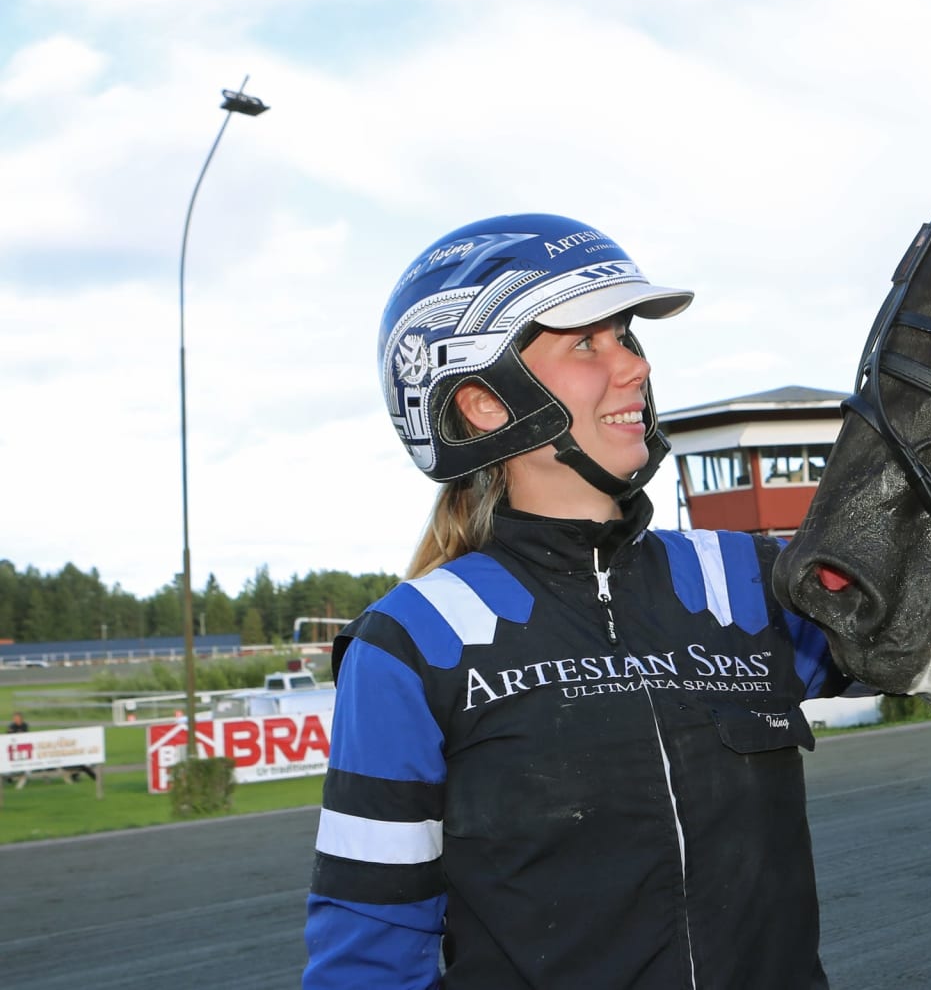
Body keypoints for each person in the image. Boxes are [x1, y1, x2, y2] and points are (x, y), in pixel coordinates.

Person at [303, 214, 850, 988]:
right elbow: (369, 958)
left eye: (626, 337)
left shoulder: (746, 583)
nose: (635, 365)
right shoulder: (411, 645)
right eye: (587, 344)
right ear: (483, 401)